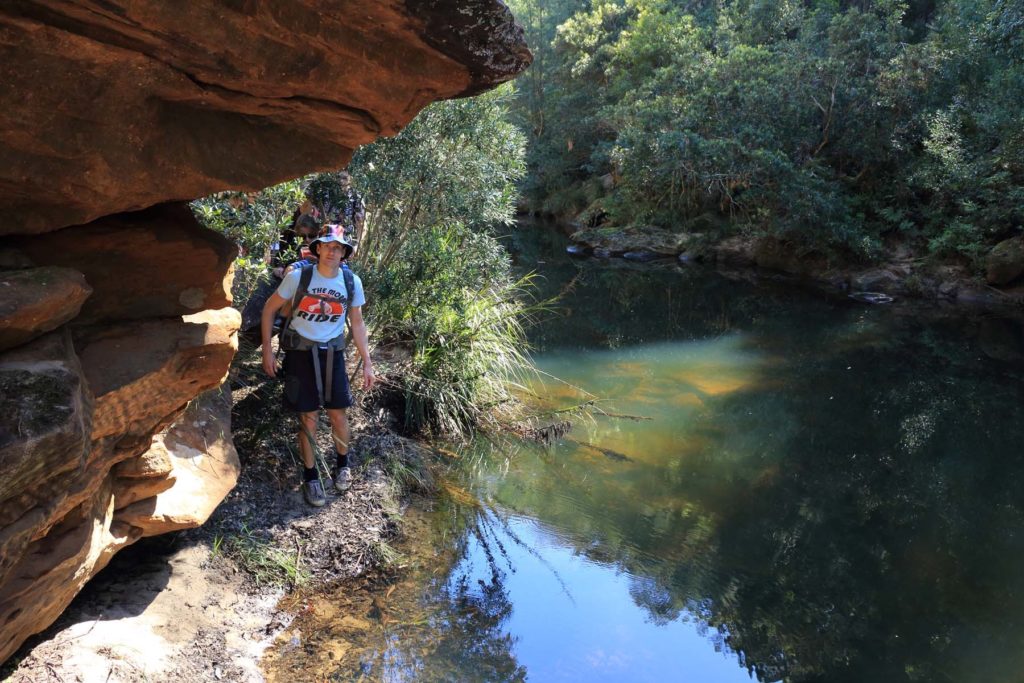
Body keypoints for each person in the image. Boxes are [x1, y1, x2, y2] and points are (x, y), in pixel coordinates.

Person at [260, 233, 375, 507]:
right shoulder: (299, 277)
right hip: (301, 353)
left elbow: (357, 323)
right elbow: (269, 309)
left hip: (332, 354)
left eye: (338, 248)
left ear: (344, 253)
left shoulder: (350, 281)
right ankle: (311, 478)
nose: (332, 253)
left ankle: (342, 465)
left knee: (338, 414)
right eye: (327, 247)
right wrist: (267, 349)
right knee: (308, 418)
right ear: (318, 249)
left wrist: (367, 361)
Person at [304, 170, 365, 245]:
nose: (341, 181)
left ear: (350, 180)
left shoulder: (355, 197)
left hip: (344, 238)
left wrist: (358, 243)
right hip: (323, 235)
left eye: (344, 178)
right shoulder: (326, 193)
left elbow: (360, 222)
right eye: (338, 177)